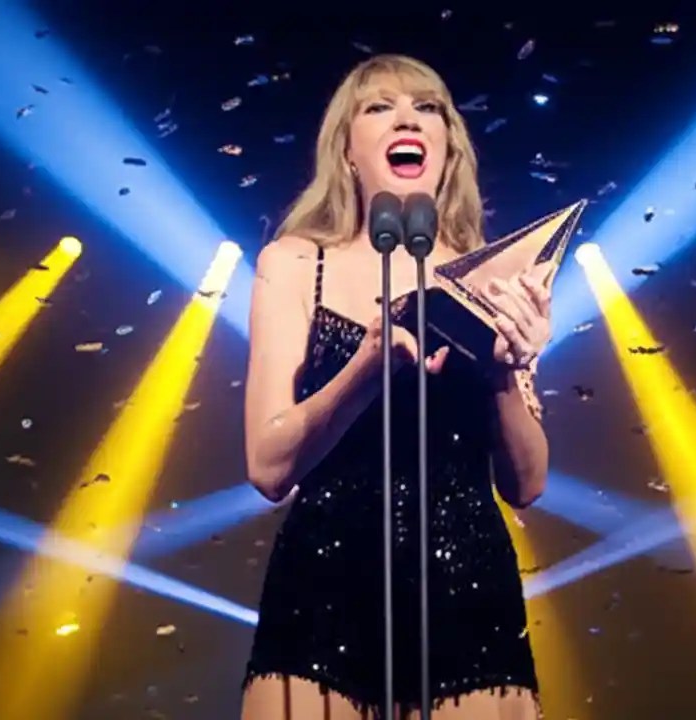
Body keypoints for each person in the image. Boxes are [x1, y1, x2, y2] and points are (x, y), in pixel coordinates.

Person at [241, 54, 551, 720]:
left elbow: (527, 483)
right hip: (323, 586)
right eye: (379, 107)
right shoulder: (295, 264)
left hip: (467, 585)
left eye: (427, 108)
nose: (407, 119)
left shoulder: (493, 280)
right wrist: (364, 370)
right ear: (347, 151)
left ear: (448, 149)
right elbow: (267, 466)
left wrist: (503, 371)